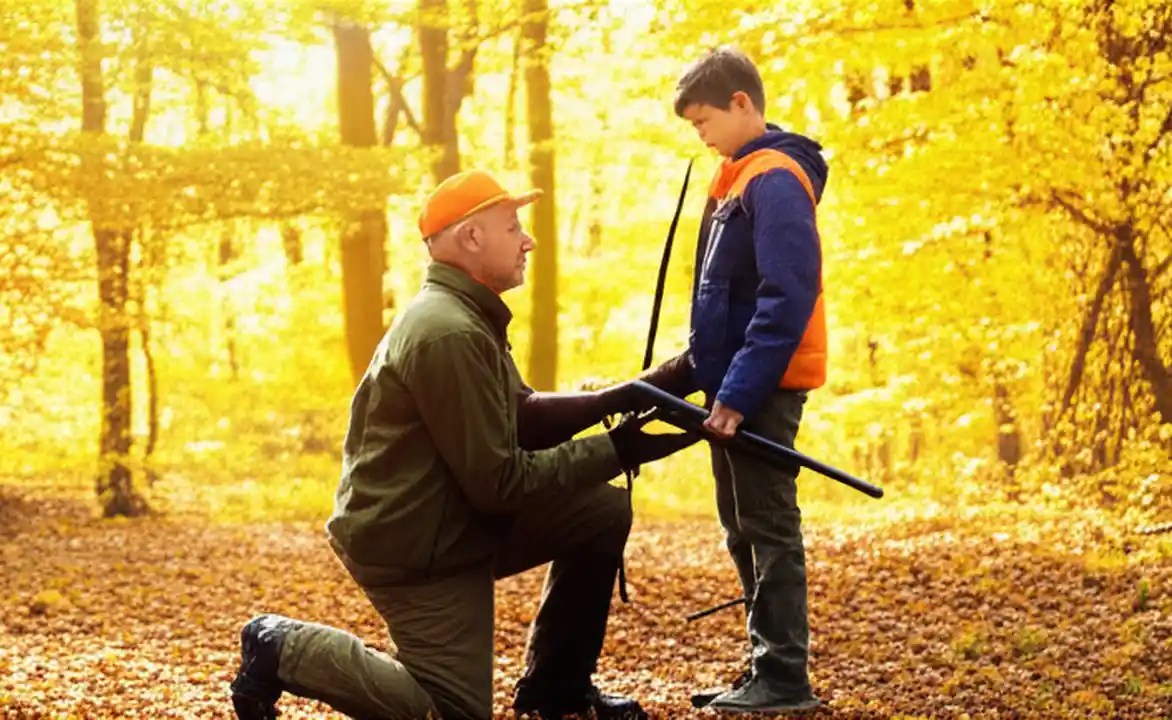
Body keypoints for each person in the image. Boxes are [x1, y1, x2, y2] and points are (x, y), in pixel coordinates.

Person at [228, 169, 699, 720]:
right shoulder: (446, 332)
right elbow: (500, 485)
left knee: (599, 510)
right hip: (414, 545)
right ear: (470, 237)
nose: (528, 240)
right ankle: (281, 645)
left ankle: (557, 688)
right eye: (512, 227)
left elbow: (520, 414)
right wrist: (618, 449)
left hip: (449, 520)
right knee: (453, 712)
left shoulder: (469, 317)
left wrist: (641, 390)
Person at [673, 47, 829, 714]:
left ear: (742, 103)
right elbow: (721, 297)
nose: (700, 135)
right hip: (731, 384)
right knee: (742, 528)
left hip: (760, 387)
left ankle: (785, 679)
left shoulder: (774, 179)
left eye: (704, 120)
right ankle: (762, 668)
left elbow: (786, 295)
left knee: (768, 528)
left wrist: (738, 394)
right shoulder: (735, 177)